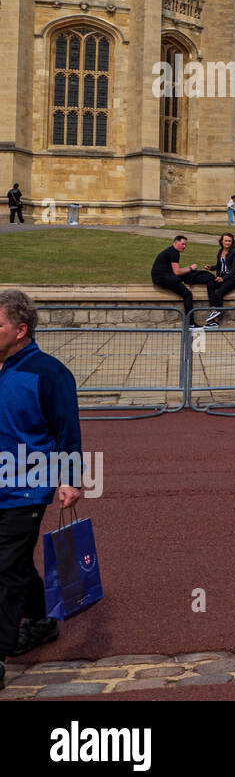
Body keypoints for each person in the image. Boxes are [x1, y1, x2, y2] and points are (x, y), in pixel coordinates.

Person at [0, 289, 83, 690]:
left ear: (20, 329)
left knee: (4, 567)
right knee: (12, 564)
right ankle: (41, 619)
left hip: (27, 486)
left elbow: (67, 431)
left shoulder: (50, 373)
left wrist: (70, 479)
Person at [150, 234, 214, 320]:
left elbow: (175, 271)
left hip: (162, 277)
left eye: (185, 244)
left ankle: (199, 279)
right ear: (176, 243)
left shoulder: (171, 251)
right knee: (187, 295)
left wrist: (189, 269)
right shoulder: (174, 253)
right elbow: (177, 272)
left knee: (188, 275)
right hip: (162, 278)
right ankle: (190, 323)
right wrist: (191, 268)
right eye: (183, 244)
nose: (184, 246)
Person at [202, 232, 235, 326]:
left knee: (219, 293)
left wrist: (223, 279)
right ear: (221, 241)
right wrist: (211, 268)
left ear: (232, 242)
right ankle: (213, 310)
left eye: (229, 241)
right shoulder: (220, 251)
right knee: (210, 285)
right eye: (226, 241)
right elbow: (220, 265)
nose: (227, 243)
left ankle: (216, 321)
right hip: (224, 277)